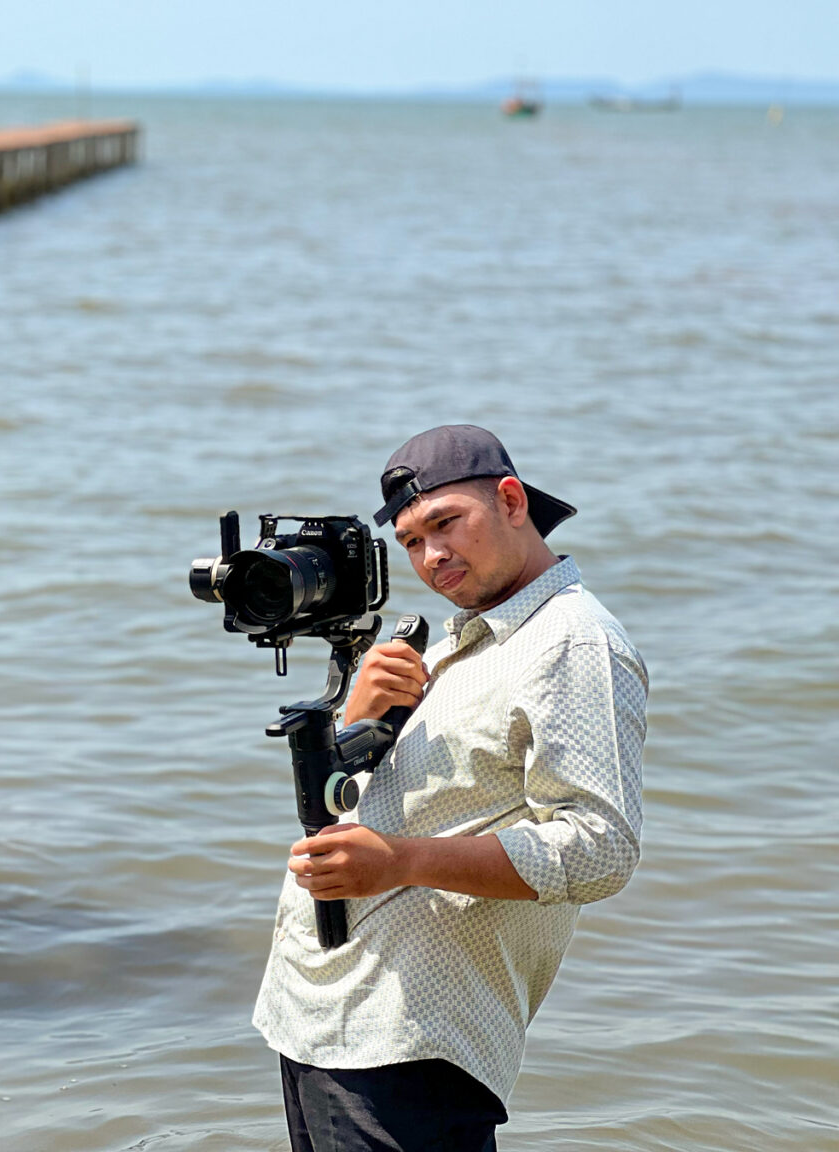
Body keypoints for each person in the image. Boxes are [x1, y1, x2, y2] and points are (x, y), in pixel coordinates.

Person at [252, 424, 647, 1151]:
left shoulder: (572, 641)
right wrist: (358, 719)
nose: (431, 556)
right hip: (322, 1016)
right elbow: (364, 816)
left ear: (510, 501)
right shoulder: (455, 644)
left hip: (415, 1043)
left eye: (445, 524)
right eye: (409, 541)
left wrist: (402, 862)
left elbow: (599, 849)